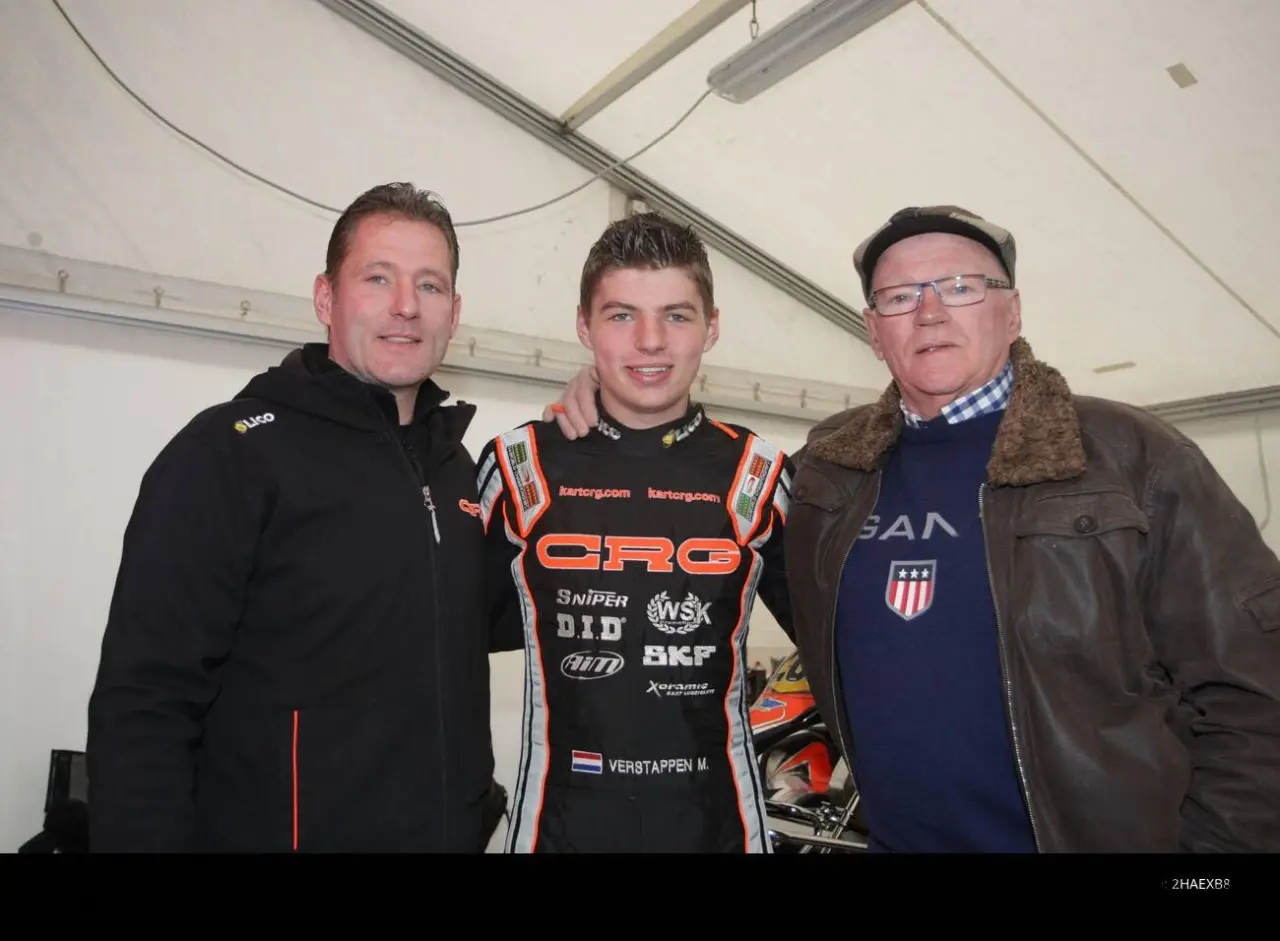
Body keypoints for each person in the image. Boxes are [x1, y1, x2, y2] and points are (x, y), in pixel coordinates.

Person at [548, 204, 1280, 854]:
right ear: (873, 331)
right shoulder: (829, 472)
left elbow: (1254, 695)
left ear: (1012, 311)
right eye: (899, 297)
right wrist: (608, 402)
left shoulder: (1131, 457)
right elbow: (680, 490)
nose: (929, 313)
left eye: (961, 287)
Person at [86, 182, 498, 853]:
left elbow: (529, 608)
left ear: (454, 313)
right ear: (326, 298)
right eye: (378, 278)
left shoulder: (456, 470)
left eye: (430, 285)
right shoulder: (231, 454)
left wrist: (595, 425)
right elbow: (145, 701)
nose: (405, 305)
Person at [480, 211, 796, 853]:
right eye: (621, 315)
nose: (650, 341)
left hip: (720, 832)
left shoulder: (759, 473)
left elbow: (840, 649)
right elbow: (444, 643)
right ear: (584, 326)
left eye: (676, 315)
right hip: (556, 831)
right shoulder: (518, 465)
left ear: (711, 328)